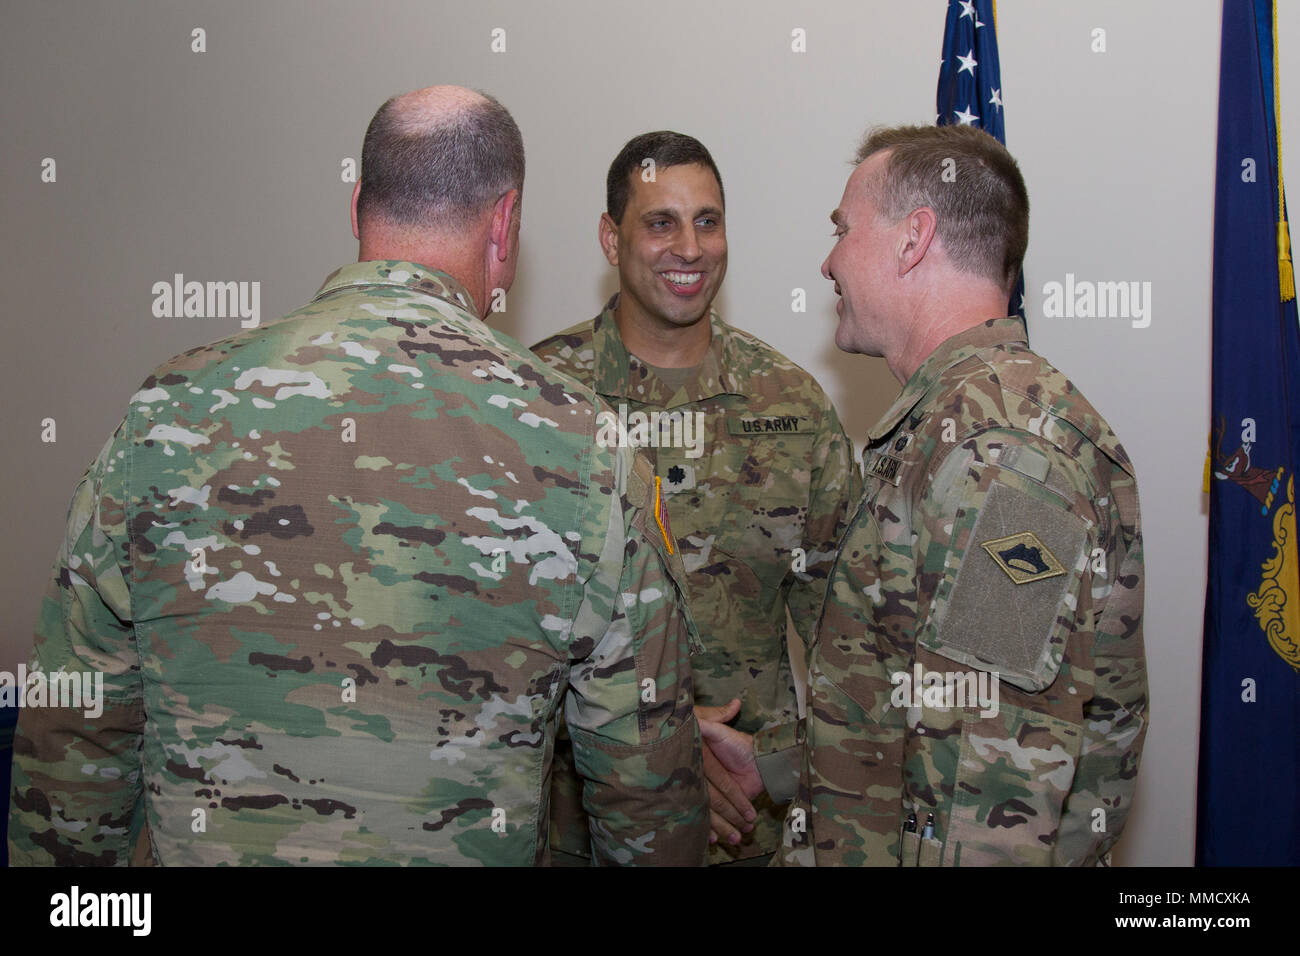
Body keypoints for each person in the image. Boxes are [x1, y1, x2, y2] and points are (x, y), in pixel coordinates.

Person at [7, 86, 708, 867]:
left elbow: (69, 753)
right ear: (504, 225)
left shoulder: (167, 413)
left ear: (358, 208)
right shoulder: (587, 449)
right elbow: (646, 797)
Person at [700, 123, 1148, 866]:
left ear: (913, 239)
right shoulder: (956, 431)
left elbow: (992, 799)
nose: (829, 260)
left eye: (843, 229)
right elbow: (920, 704)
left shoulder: (1000, 457)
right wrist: (775, 763)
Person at [532, 131, 860, 865]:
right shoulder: (542, 402)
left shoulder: (791, 406)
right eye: (661, 222)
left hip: (751, 825)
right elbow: (497, 644)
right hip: (585, 827)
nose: (690, 247)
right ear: (610, 239)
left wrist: (771, 762)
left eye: (707, 221)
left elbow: (852, 639)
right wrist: (659, 748)